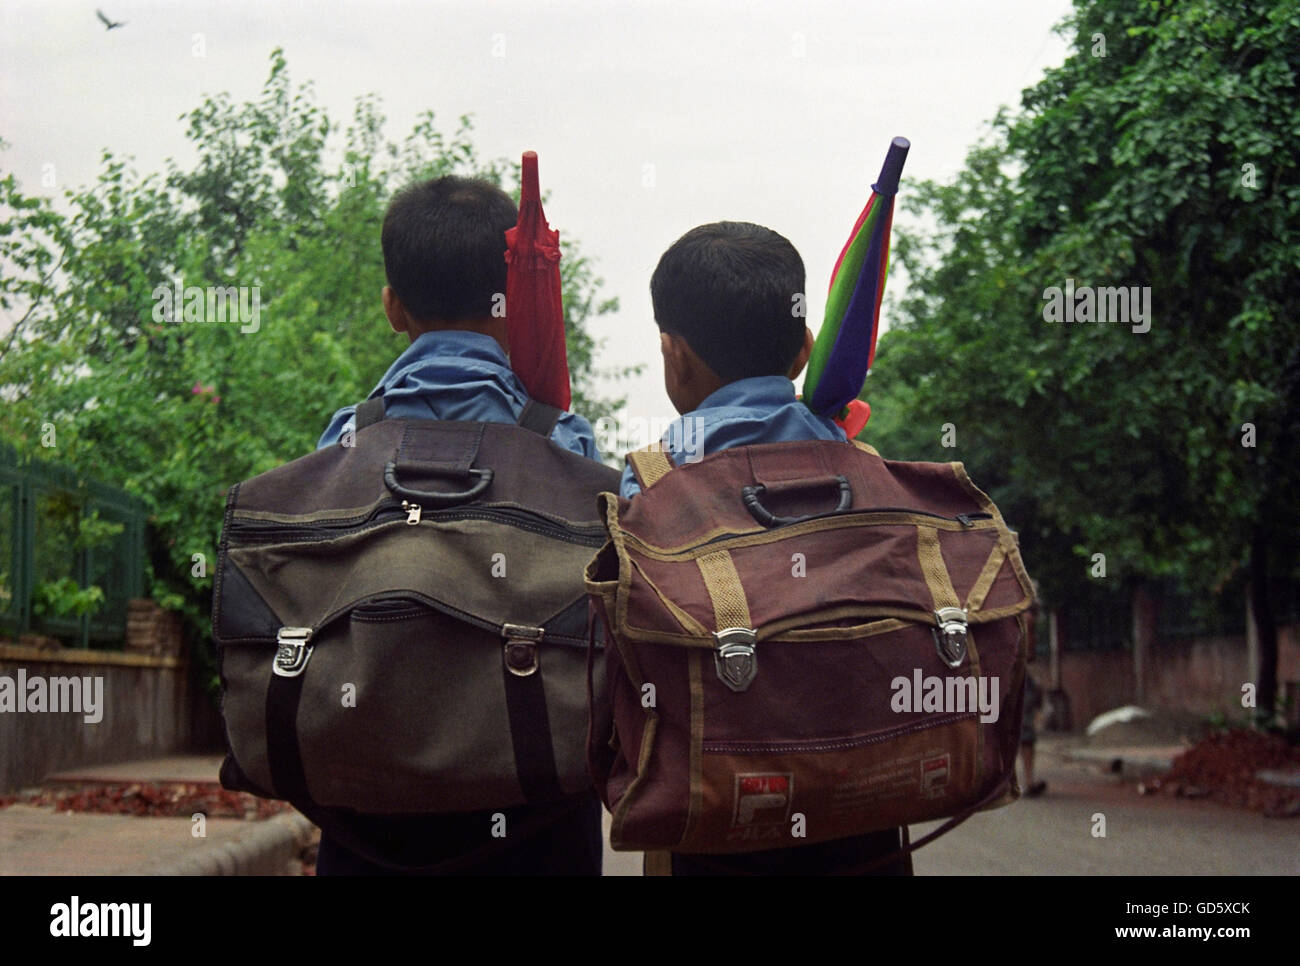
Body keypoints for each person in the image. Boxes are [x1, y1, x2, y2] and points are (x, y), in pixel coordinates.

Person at [313, 174, 603, 875]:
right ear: (512, 307)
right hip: (540, 811)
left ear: (392, 308)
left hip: (368, 818)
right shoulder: (566, 443)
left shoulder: (346, 439)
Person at [623, 220, 909, 875]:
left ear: (675, 354)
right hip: (861, 806)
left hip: (714, 815)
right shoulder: (860, 463)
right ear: (805, 347)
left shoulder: (653, 478)